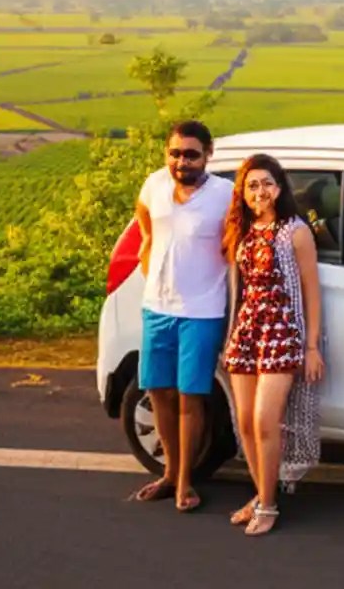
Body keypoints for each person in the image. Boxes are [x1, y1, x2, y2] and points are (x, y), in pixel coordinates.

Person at [129, 120, 235, 512]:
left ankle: (185, 482)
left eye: (191, 153)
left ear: (209, 153)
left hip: (202, 311)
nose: (181, 160)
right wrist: (149, 264)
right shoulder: (153, 184)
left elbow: (233, 249)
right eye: (174, 152)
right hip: (156, 307)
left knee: (192, 397)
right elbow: (147, 230)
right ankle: (170, 473)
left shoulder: (225, 194)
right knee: (158, 391)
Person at [220, 153, 325, 536]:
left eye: (266, 183)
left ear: (279, 189)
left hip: (281, 331)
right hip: (248, 329)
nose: (260, 191)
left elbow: (312, 292)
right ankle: (259, 493)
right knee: (245, 423)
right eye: (252, 185)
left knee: (266, 421)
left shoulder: (294, 232)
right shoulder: (242, 231)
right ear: (243, 193)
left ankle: (268, 505)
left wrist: (311, 346)